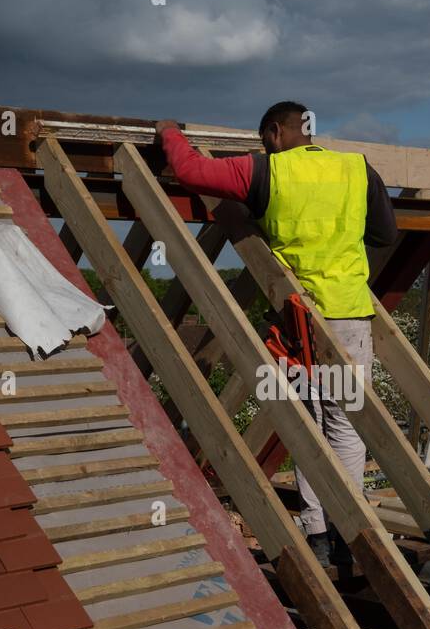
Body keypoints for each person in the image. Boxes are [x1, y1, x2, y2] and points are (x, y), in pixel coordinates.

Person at [155, 102, 398, 567]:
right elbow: (384, 235)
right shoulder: (356, 168)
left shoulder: (266, 171)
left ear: (274, 132)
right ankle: (353, 535)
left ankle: (319, 537)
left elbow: (190, 171)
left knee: (305, 425)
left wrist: (169, 132)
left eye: (264, 138)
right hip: (348, 316)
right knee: (345, 428)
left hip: (299, 320)